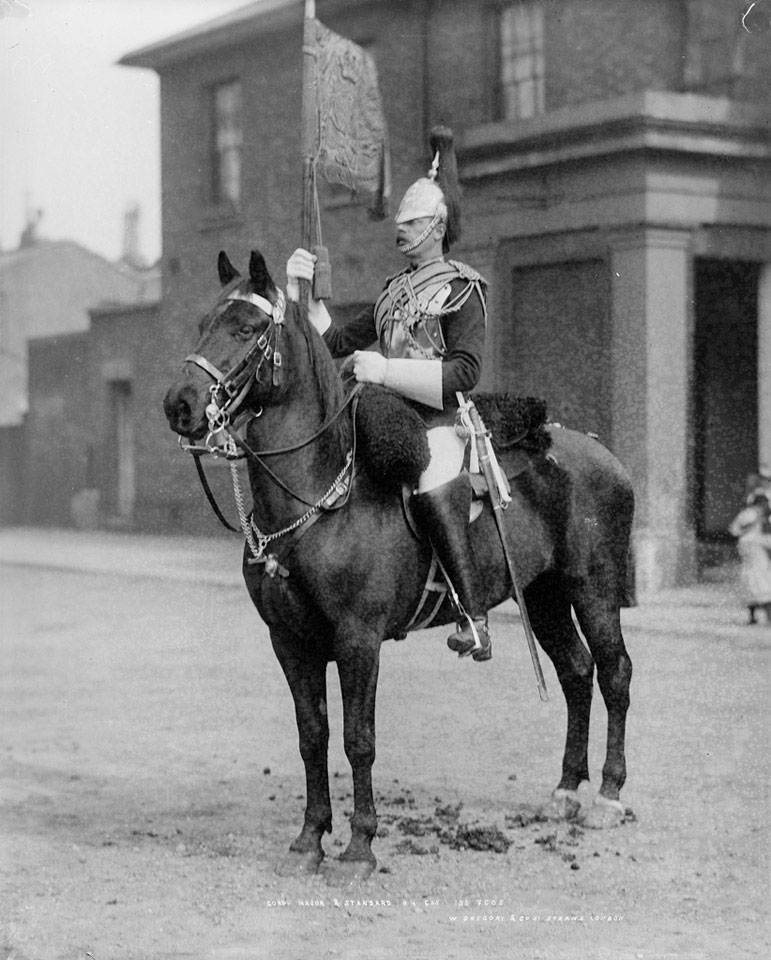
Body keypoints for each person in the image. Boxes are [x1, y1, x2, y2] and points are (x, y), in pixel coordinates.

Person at [286, 126, 491, 661]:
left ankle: (473, 613)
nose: (402, 230)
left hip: (440, 421)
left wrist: (383, 371)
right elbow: (332, 341)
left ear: (439, 225)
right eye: (401, 223)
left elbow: (464, 372)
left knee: (430, 477)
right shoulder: (392, 292)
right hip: (384, 415)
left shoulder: (462, 289)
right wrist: (302, 294)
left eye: (415, 222)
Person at [728, 491, 771, 625]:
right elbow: (736, 529)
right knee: (761, 576)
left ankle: (753, 616)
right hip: (753, 545)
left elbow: (734, 530)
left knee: (751, 575)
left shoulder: (746, 513)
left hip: (747, 545)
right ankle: (768, 616)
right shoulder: (753, 514)